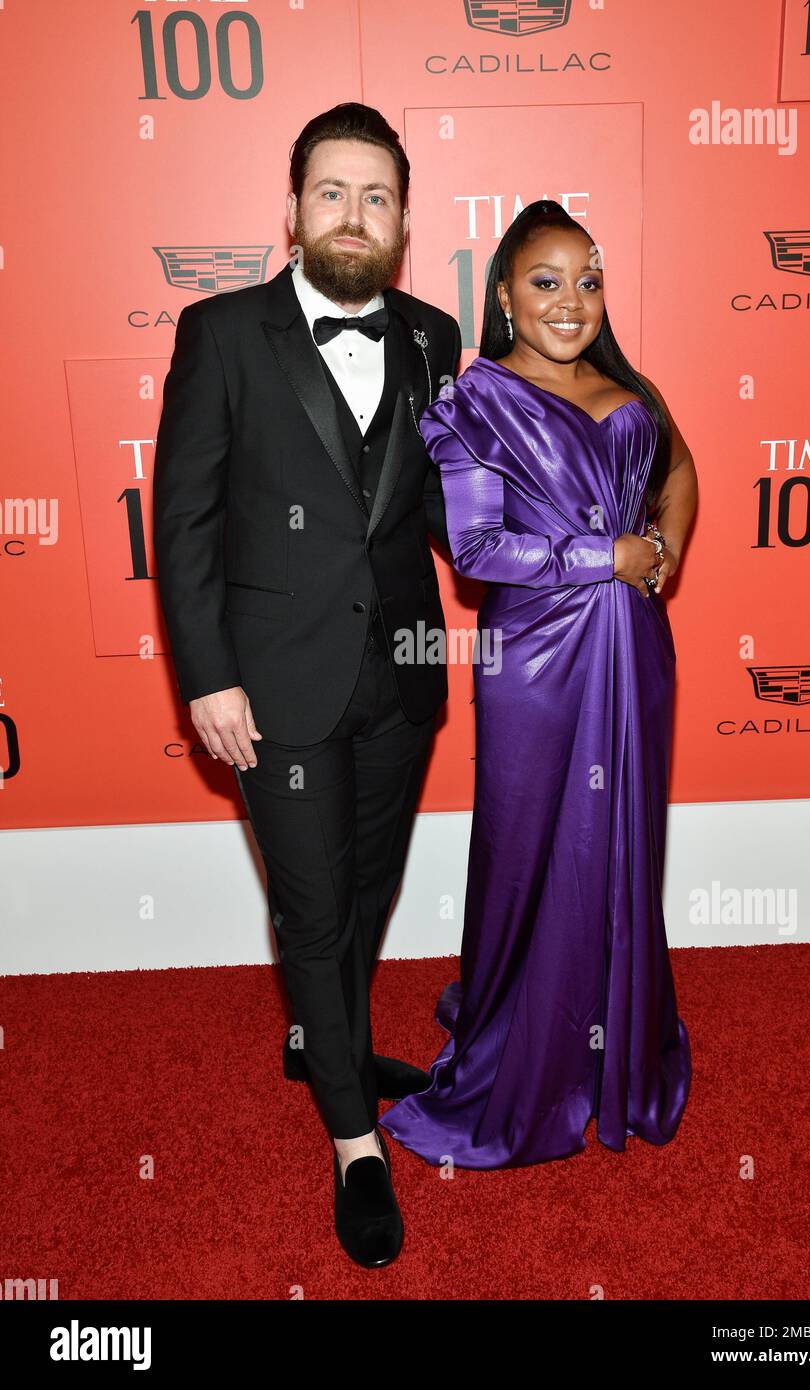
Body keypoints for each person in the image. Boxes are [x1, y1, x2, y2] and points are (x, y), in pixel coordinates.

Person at [152, 103, 462, 1265]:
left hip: (401, 673)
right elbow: (182, 520)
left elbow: (440, 510)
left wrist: (561, 537)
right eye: (331, 191)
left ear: (399, 219)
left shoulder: (434, 337)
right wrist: (208, 677)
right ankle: (352, 1136)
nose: (352, 213)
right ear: (291, 211)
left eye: (375, 196)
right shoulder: (223, 331)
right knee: (314, 901)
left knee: (369, 887)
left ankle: (315, 1036)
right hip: (271, 685)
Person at [379, 199, 697, 1168]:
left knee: (620, 847)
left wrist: (666, 550)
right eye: (546, 282)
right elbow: (476, 550)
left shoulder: (622, 383)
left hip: (634, 652)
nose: (571, 301)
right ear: (507, 297)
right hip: (538, 662)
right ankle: (524, 1054)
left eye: (587, 280)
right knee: (533, 847)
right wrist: (605, 554)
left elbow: (678, 467)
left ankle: (615, 1042)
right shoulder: (475, 399)